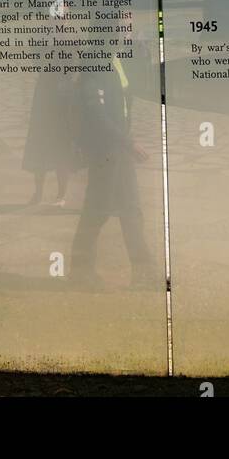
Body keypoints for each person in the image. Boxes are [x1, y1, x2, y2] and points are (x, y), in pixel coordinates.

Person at [69, 54, 156, 288]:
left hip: (120, 146)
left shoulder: (117, 57)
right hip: (105, 149)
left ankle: (144, 274)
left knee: (132, 210)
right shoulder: (94, 60)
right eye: (119, 22)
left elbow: (127, 98)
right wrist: (129, 143)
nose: (126, 23)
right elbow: (97, 114)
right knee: (97, 210)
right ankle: (80, 271)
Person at [22, 72, 79, 207]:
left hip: (63, 91)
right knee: (40, 141)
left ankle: (61, 194)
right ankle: (39, 193)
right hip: (46, 89)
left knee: (62, 143)